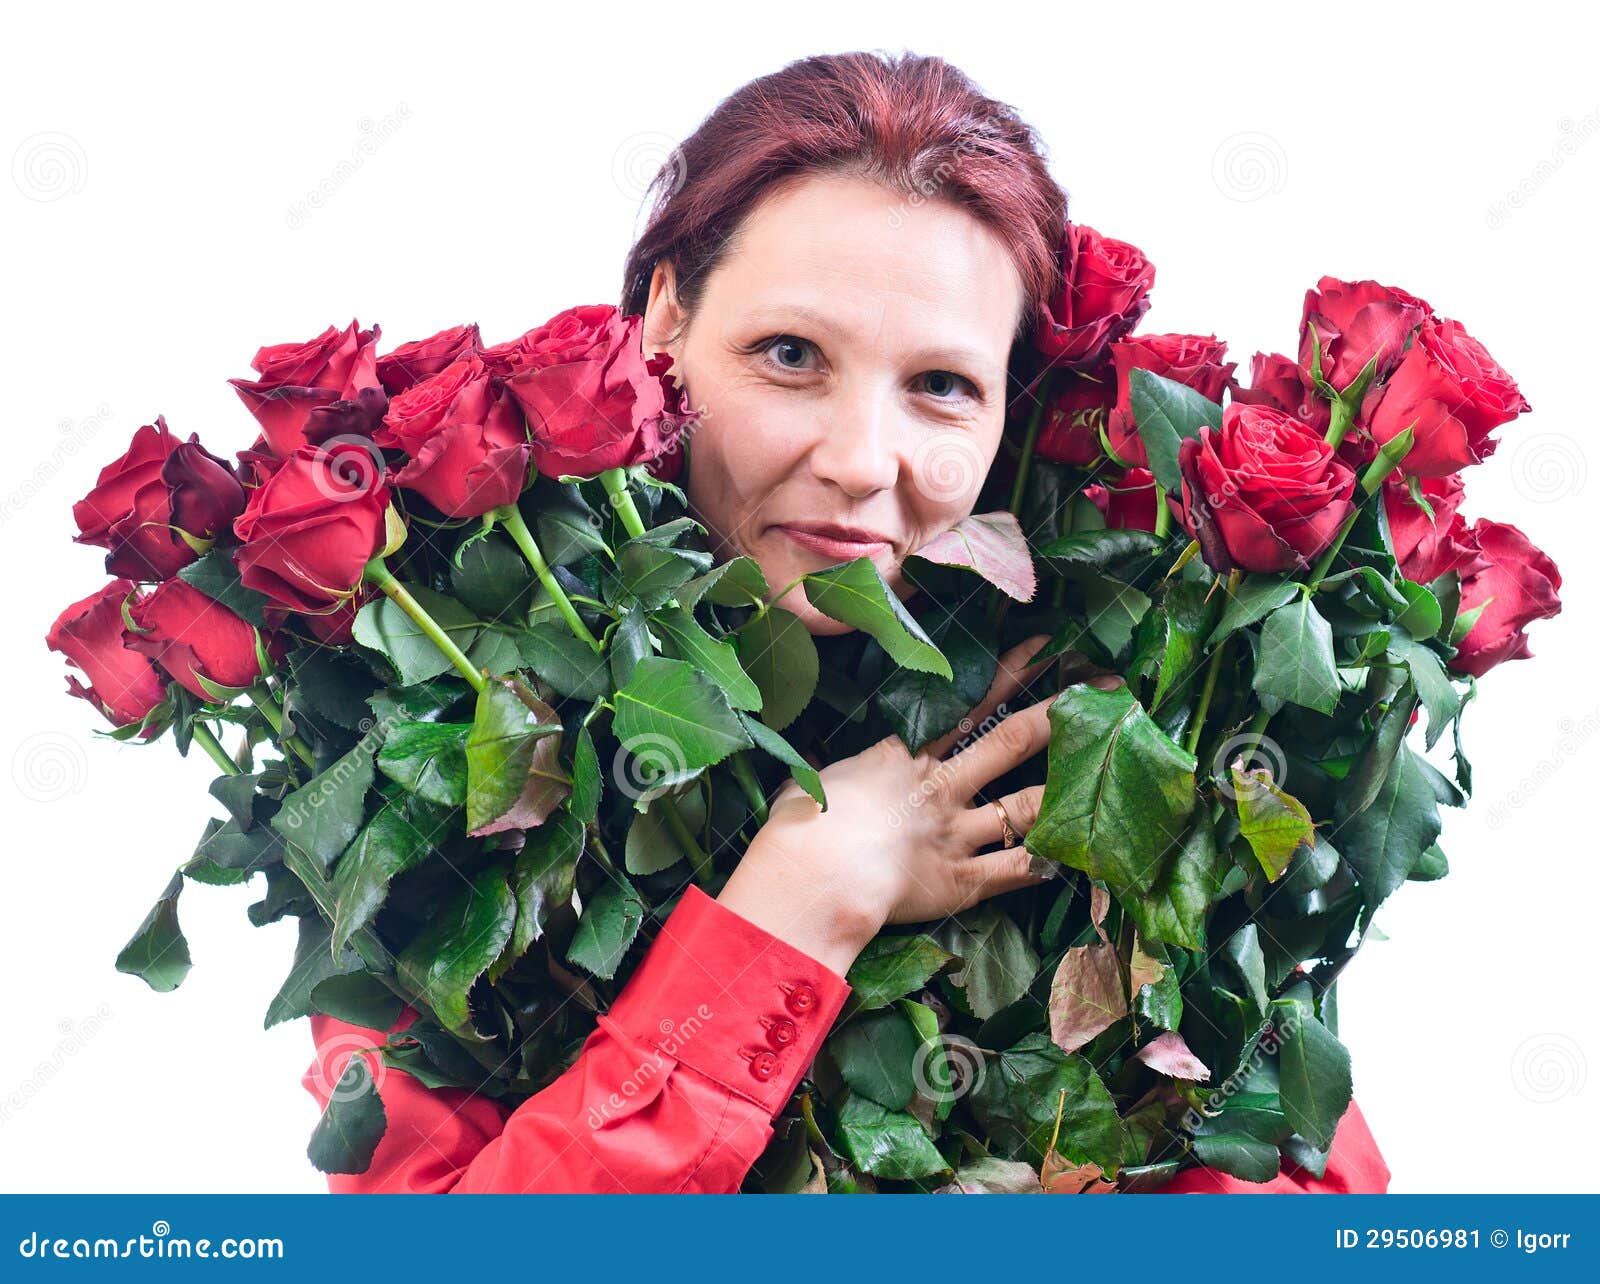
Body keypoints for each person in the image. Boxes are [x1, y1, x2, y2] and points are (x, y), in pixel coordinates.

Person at [303, 50, 1391, 1195]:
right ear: (667, 316)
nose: (863, 464)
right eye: (789, 356)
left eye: (941, 385)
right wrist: (795, 913)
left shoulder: (1134, 708)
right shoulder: (430, 741)